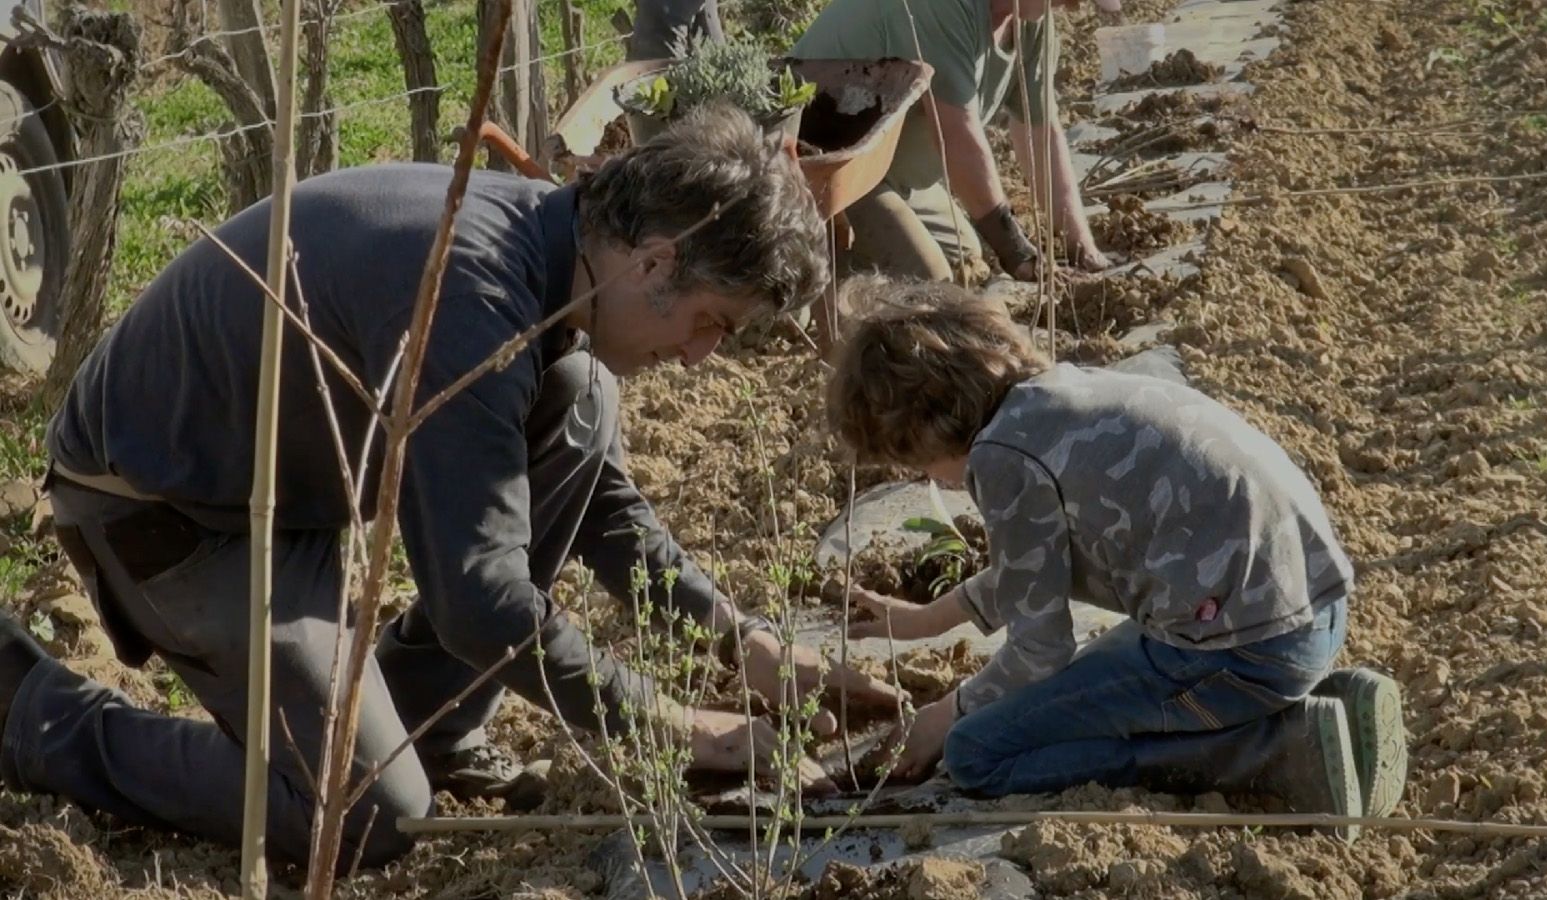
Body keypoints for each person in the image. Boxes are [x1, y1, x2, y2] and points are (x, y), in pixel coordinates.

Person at [0, 105, 902, 871]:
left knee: (584, 400)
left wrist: (738, 638)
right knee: (361, 814)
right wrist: (674, 727)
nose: (701, 356)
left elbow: (600, 502)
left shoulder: (552, 253)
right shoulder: (469, 304)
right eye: (712, 324)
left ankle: (430, 726)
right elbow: (480, 600)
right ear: (656, 262)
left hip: (290, 486)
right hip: (166, 507)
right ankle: (32, 711)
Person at [829, 280, 1407, 842]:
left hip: (1244, 655)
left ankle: (1279, 747)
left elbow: (1040, 649)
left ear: (920, 428)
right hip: (1314, 619)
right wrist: (927, 619)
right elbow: (1036, 571)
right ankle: (1323, 700)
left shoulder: (1003, 459)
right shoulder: (1059, 401)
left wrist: (947, 713)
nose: (925, 478)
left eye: (912, 463)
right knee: (1077, 691)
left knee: (979, 751)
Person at [791, 0, 1112, 287]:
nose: (1074, 7)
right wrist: (1016, 251)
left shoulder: (1032, 22)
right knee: (928, 282)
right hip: (835, 169)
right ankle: (807, 270)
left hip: (898, 173)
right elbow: (958, 136)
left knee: (966, 260)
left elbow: (1041, 134)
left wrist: (1082, 247)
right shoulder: (942, 7)